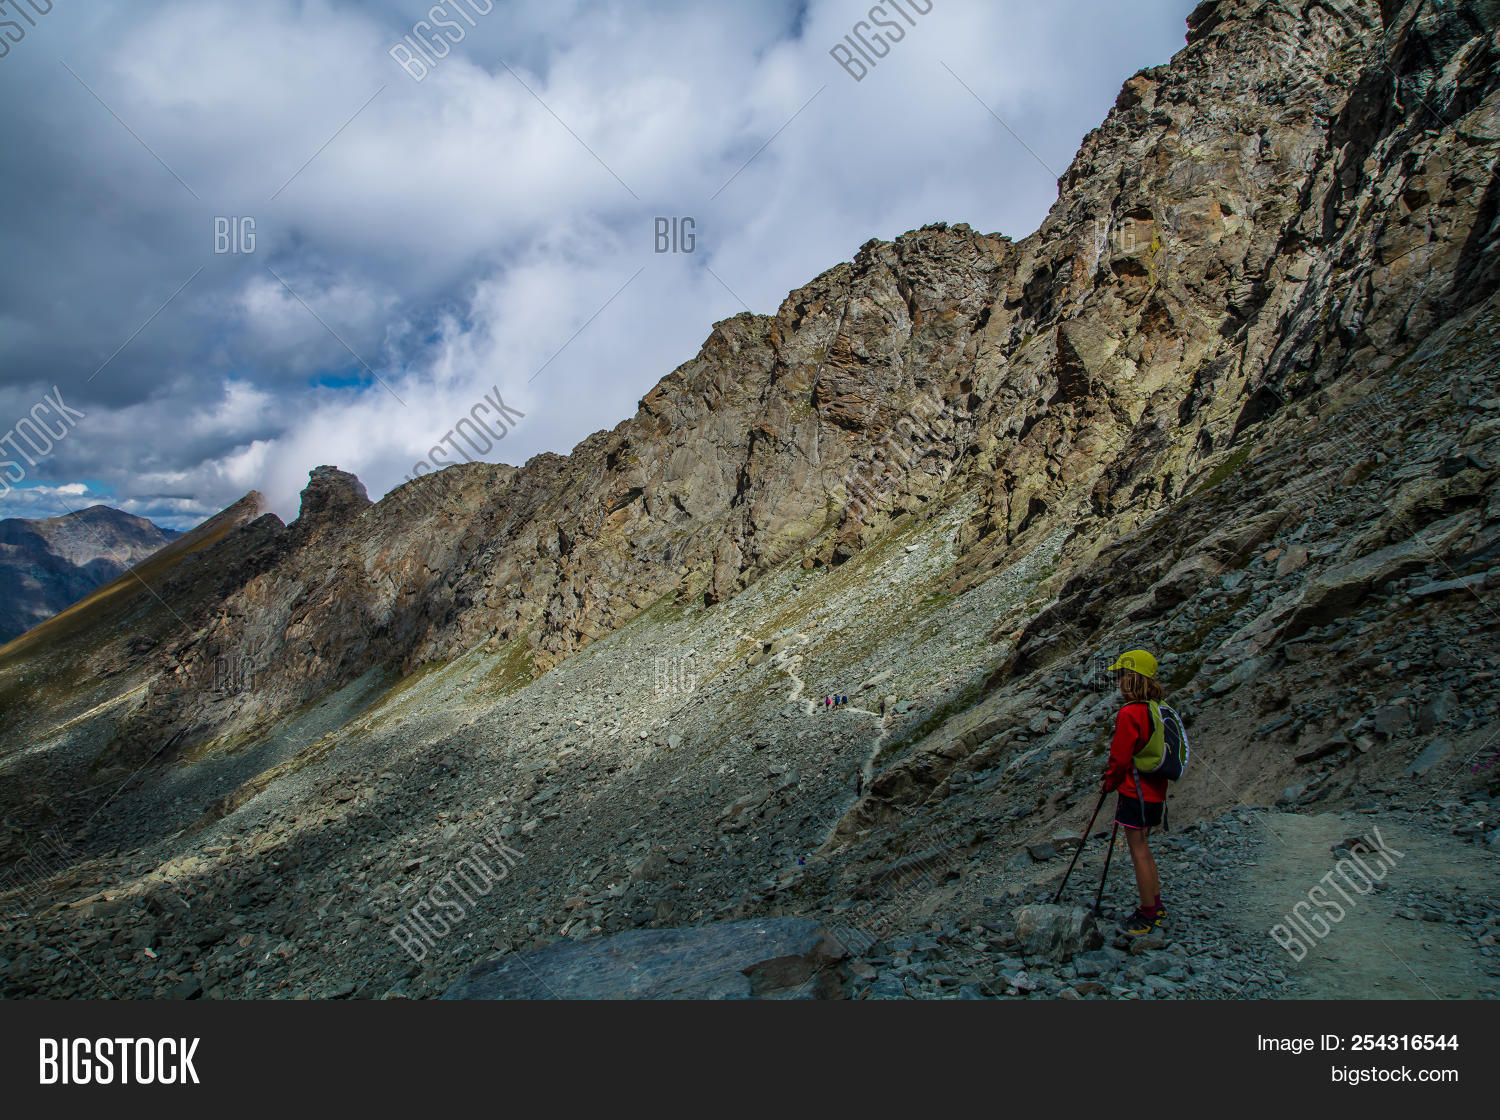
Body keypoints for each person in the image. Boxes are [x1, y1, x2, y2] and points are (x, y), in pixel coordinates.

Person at [1102, 649, 1168, 936]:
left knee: (1137, 850)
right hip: (1155, 790)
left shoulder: (1130, 713)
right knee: (1145, 848)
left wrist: (1109, 783)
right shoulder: (1157, 708)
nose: (1118, 681)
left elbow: (1119, 758)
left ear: (1132, 678)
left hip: (1135, 791)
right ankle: (1156, 903)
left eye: (1121, 675)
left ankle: (1147, 914)